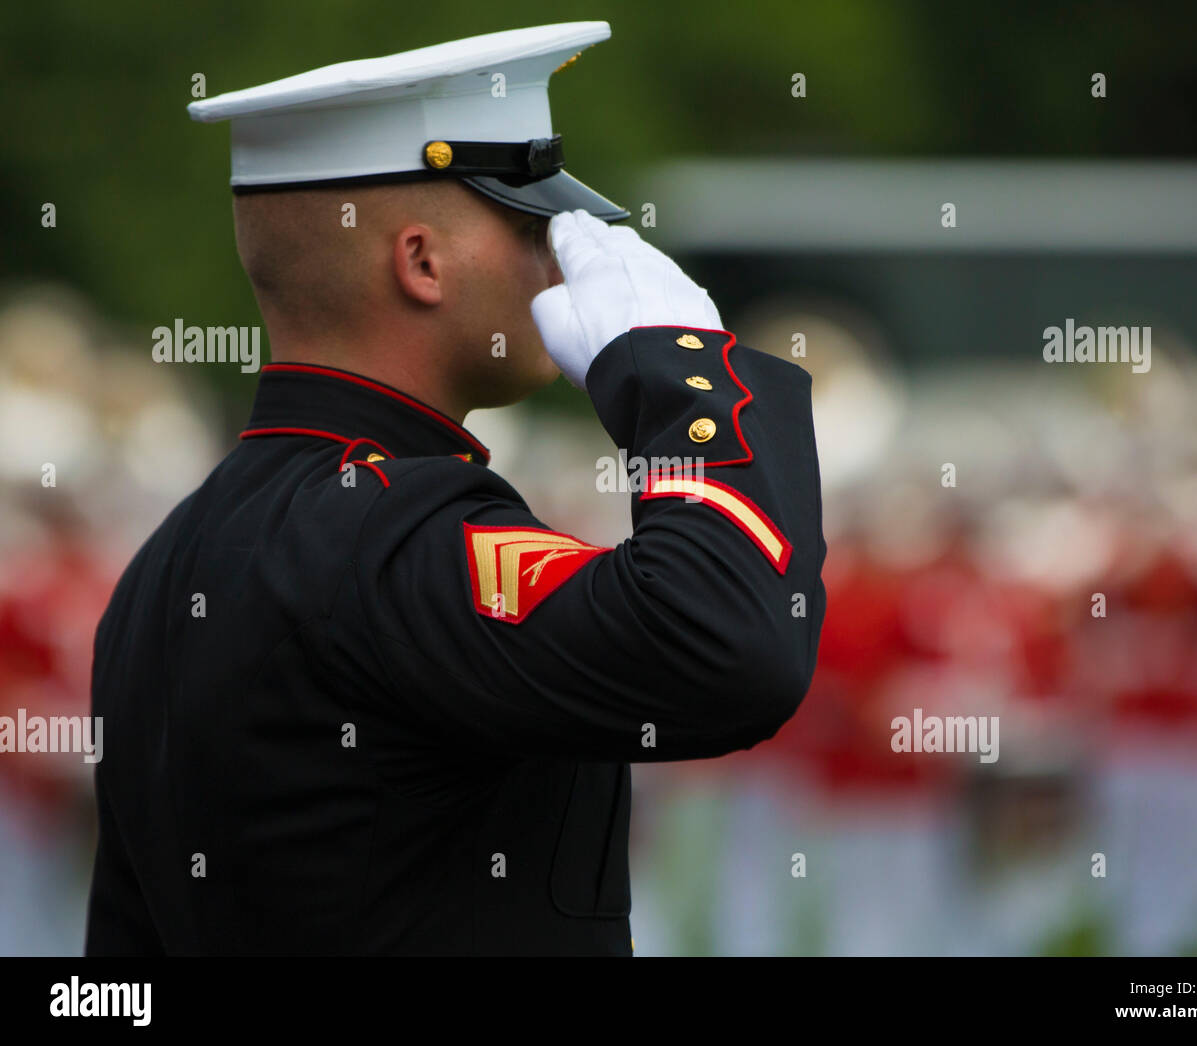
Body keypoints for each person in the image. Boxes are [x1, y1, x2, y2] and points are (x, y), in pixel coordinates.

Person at [85, 22, 826, 955]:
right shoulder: (396, 527)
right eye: (529, 226)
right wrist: (684, 377)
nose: (561, 259)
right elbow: (731, 645)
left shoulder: (167, 561)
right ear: (421, 262)